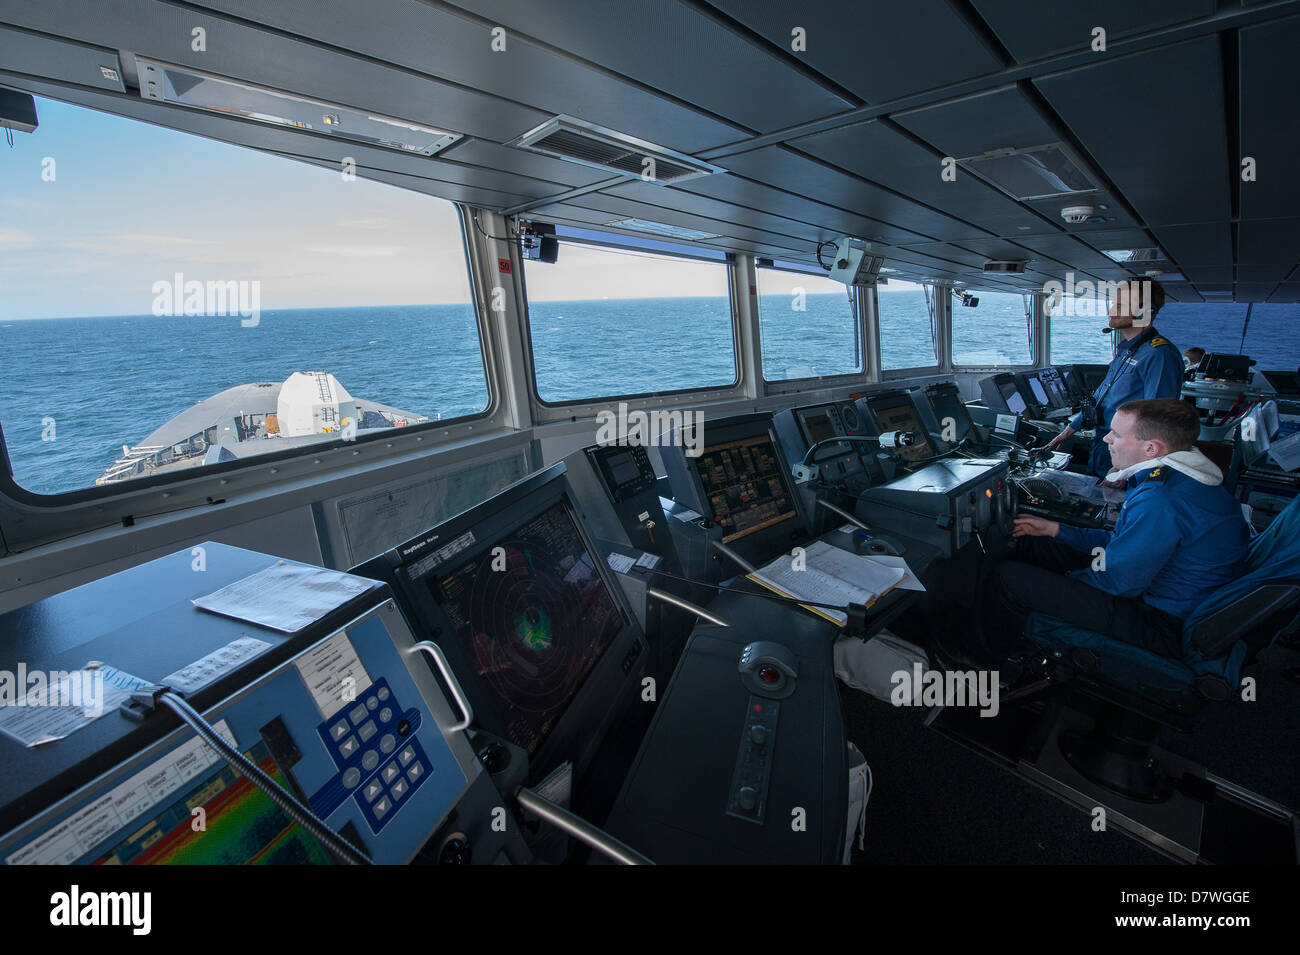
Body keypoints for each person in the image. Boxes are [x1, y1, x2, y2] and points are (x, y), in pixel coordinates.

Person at [968, 398, 1250, 665]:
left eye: (1116, 434)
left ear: (1151, 448)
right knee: (1034, 542)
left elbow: (1118, 581)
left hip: (1163, 621)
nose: (1106, 439)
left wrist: (1068, 580)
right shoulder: (1178, 475)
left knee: (1009, 579)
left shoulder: (1161, 498)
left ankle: (987, 660)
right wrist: (1055, 529)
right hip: (1164, 587)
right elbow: (1123, 543)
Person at [1044, 279, 1183, 480]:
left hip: (1128, 455)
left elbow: (1159, 419)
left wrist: (1124, 468)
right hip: (1104, 444)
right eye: (1113, 304)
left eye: (1120, 306)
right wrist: (1068, 431)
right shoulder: (1126, 351)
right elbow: (1102, 399)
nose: (1111, 311)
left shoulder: (1159, 355)